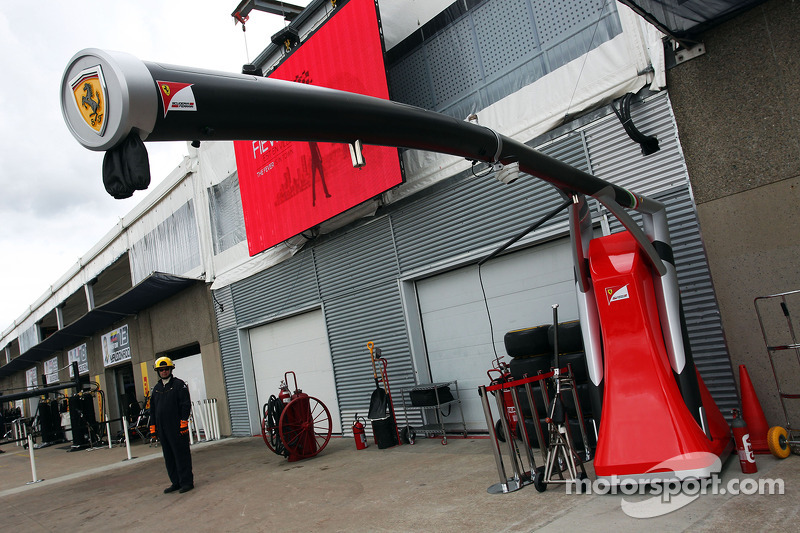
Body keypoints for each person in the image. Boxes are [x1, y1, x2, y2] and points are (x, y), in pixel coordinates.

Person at [149, 356, 194, 493]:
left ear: (171, 369)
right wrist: (153, 427)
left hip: (177, 428)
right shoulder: (156, 389)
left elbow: (185, 404)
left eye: (166, 369)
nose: (164, 371)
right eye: (161, 370)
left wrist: (183, 422)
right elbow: (153, 410)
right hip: (163, 429)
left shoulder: (179, 385)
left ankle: (187, 482)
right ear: (158, 371)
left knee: (181, 455)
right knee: (169, 457)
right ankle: (176, 482)